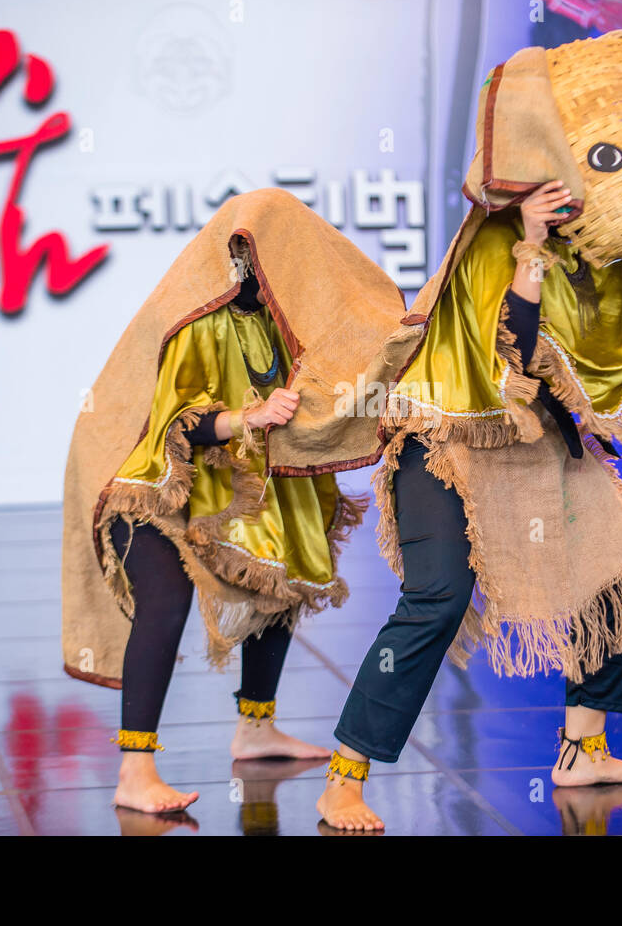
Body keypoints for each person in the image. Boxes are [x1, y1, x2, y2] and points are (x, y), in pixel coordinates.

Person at [314, 31, 622, 830]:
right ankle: (344, 775)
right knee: (437, 598)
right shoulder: (499, 229)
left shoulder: (605, 230)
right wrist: (529, 244)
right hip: (452, 439)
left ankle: (581, 749)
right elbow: (514, 356)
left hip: (535, 444)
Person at [60, 189, 406, 814]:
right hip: (159, 484)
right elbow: (177, 423)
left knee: (280, 582)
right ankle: (135, 770)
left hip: (245, 486)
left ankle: (255, 728)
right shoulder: (197, 317)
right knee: (165, 600)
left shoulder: (288, 323)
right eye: (250, 252)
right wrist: (246, 417)